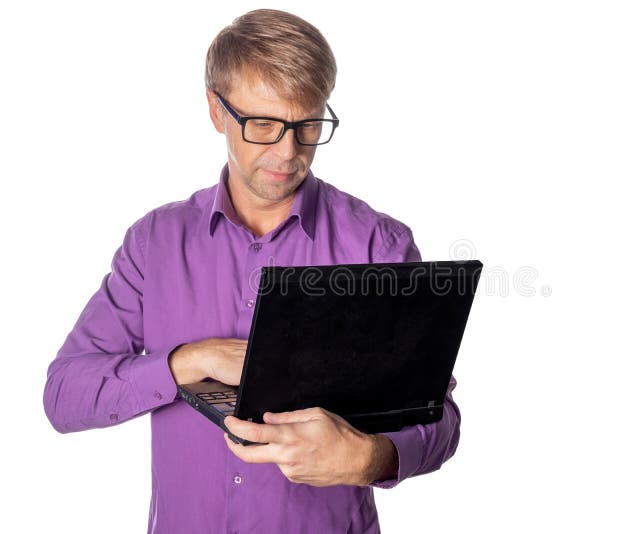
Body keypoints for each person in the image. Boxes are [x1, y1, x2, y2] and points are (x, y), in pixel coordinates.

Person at [43, 9, 460, 534]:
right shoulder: (155, 243)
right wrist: (188, 361)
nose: (288, 152)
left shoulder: (378, 244)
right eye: (262, 124)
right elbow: (64, 396)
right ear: (217, 111)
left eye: (307, 124)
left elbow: (439, 417)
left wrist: (369, 458)